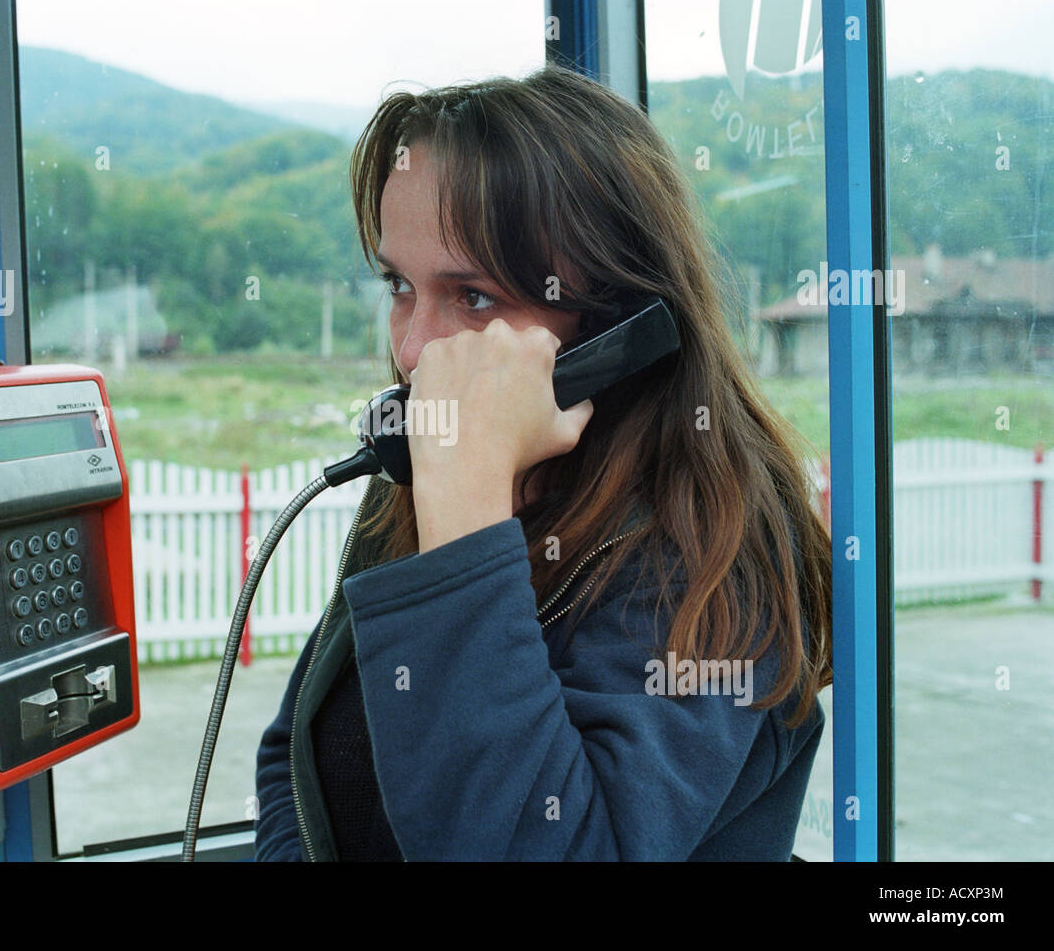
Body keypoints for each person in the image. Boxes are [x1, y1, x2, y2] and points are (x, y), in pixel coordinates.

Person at [253, 63, 832, 861]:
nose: (415, 349)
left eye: (475, 297)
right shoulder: (443, 469)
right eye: (398, 285)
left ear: (616, 326)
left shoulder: (710, 563)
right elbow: (297, 757)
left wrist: (463, 522)